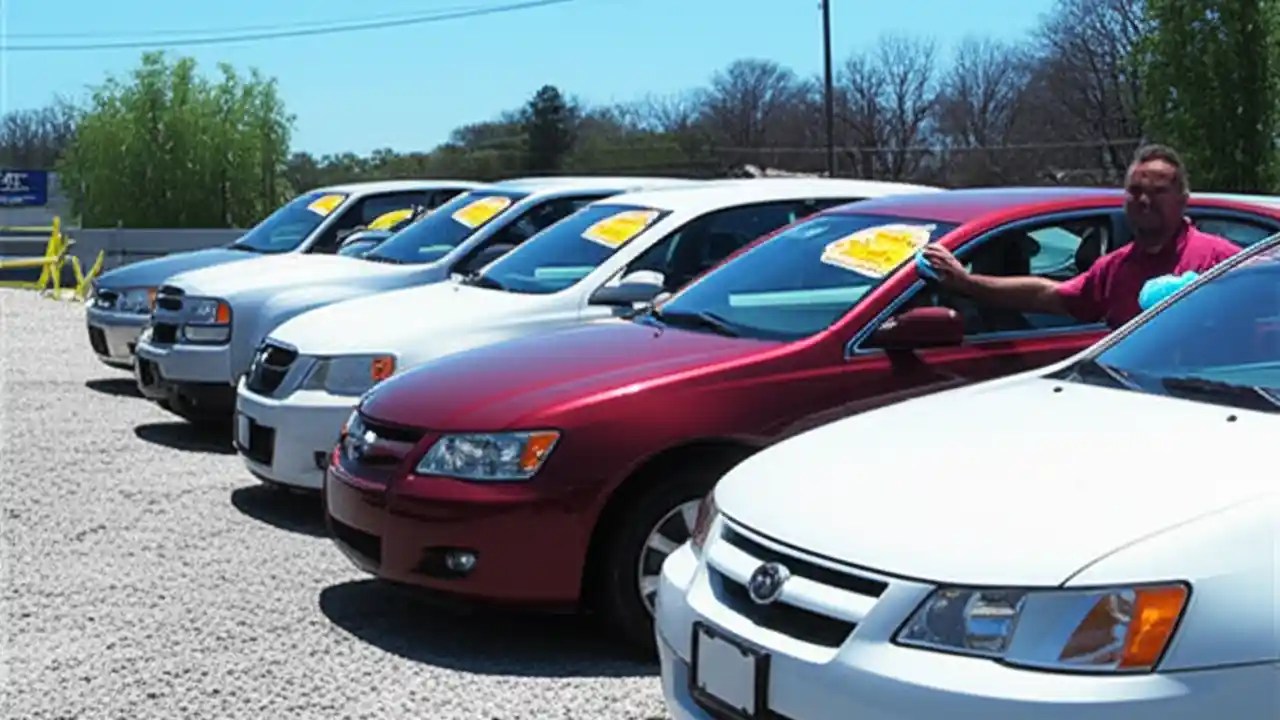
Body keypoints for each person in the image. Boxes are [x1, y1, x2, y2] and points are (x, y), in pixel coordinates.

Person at [919, 143, 1240, 329]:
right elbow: (1047, 296)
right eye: (1136, 191)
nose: (1145, 201)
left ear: (1183, 199)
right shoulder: (1115, 268)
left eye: (1158, 192)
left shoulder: (1222, 261)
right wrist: (966, 283)